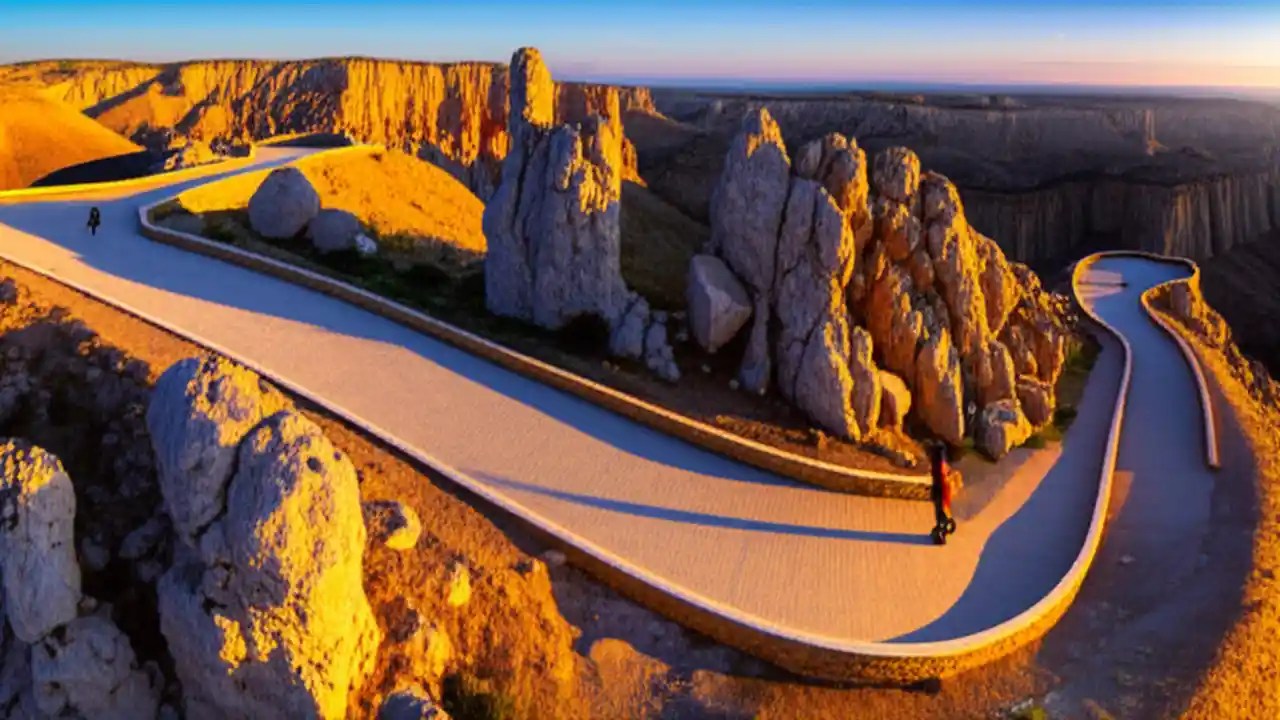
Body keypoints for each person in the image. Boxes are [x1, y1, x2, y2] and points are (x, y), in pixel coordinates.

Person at [929, 442, 956, 545]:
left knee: (941, 509)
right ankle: (941, 526)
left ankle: (940, 529)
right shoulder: (940, 465)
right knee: (940, 508)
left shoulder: (940, 465)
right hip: (940, 487)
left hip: (940, 488)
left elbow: (941, 476)